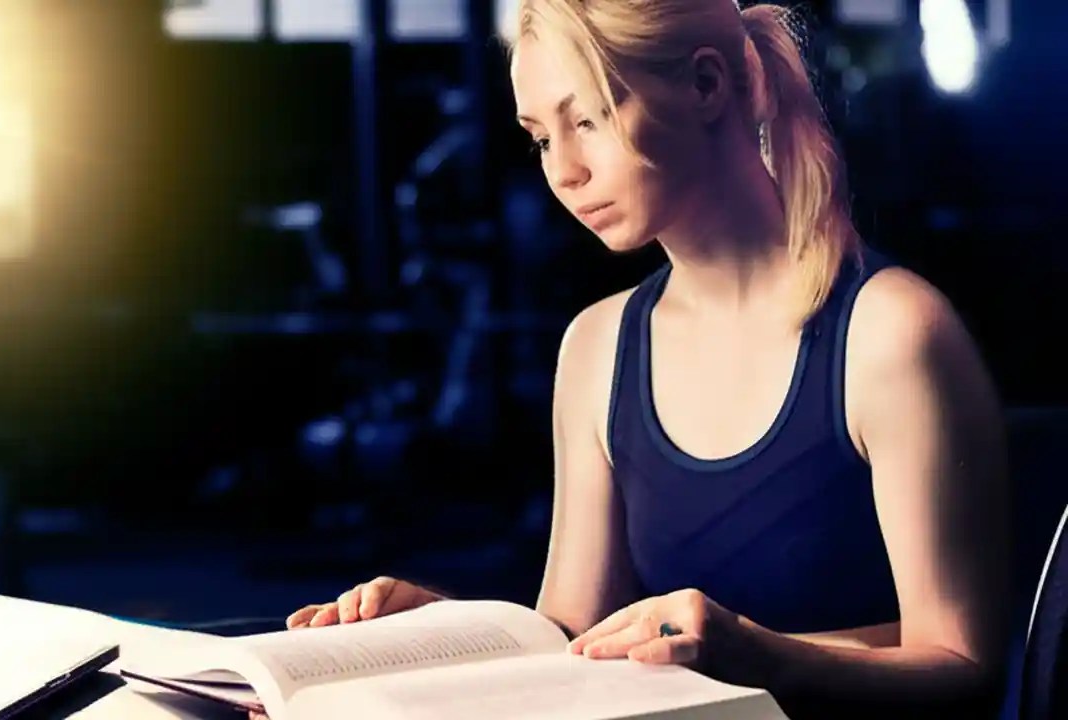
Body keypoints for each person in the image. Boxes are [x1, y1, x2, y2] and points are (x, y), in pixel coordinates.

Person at [276, 1, 1011, 717]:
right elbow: (573, 646)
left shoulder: (893, 334)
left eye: (588, 121)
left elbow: (967, 668)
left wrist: (756, 656)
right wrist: (439, 636)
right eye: (541, 139)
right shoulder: (597, 347)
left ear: (706, 84)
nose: (564, 171)